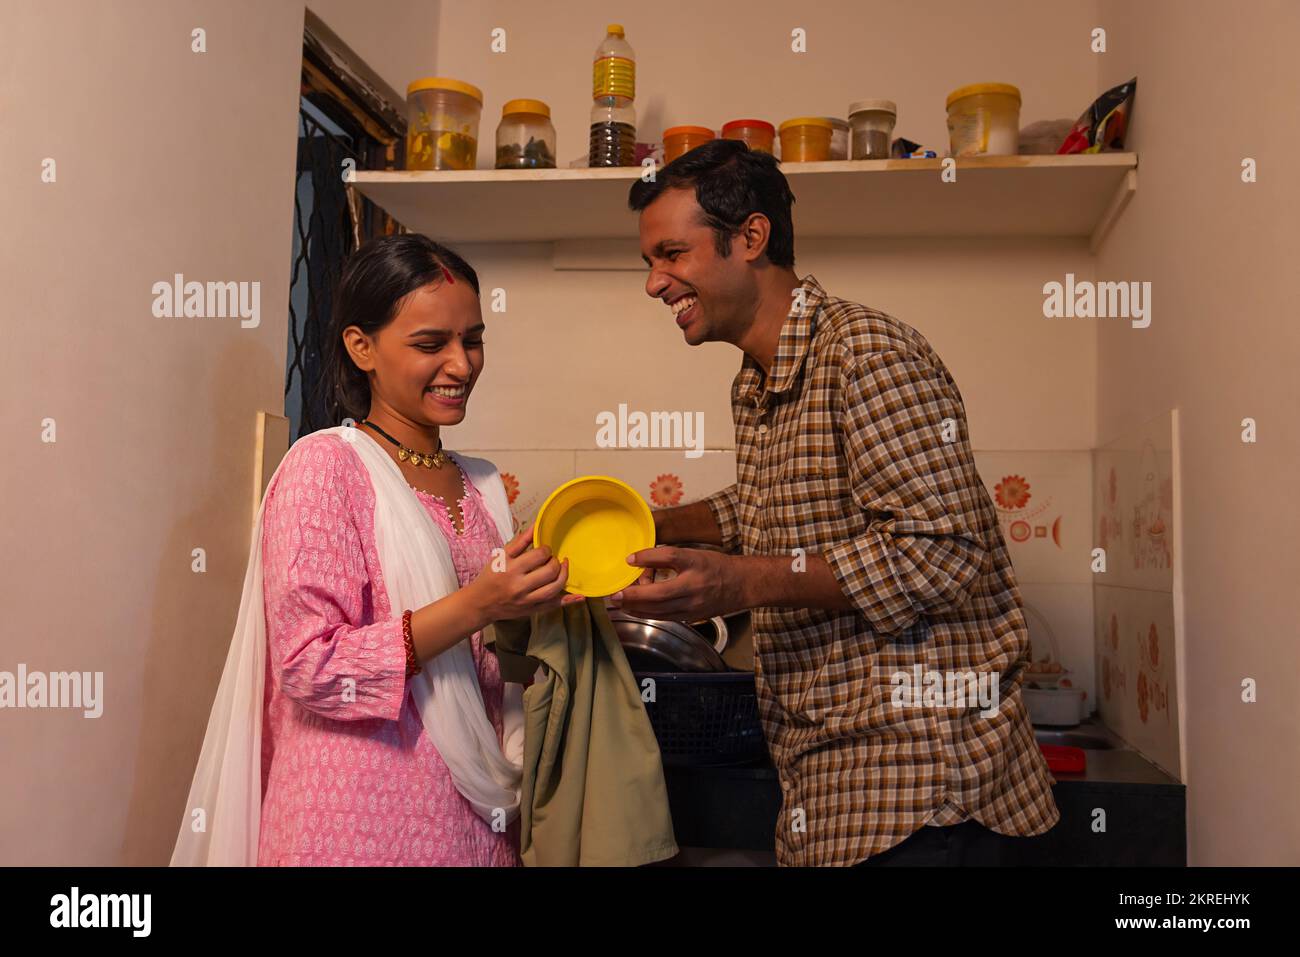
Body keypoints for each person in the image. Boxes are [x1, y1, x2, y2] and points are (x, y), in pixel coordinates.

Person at [611, 140, 1059, 866]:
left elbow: (941, 553)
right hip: (830, 780)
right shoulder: (757, 382)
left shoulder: (865, 354)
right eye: (649, 263)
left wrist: (737, 581)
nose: (655, 283)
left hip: (924, 793)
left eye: (670, 254)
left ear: (750, 238)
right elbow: (762, 507)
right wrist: (644, 525)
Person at [172, 234, 582, 866]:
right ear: (361, 347)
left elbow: (490, 661)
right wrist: (478, 603)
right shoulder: (325, 468)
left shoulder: (480, 484)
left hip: (474, 814)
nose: (462, 364)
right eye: (430, 344)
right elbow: (311, 665)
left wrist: (547, 604)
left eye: (472, 340)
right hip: (354, 821)